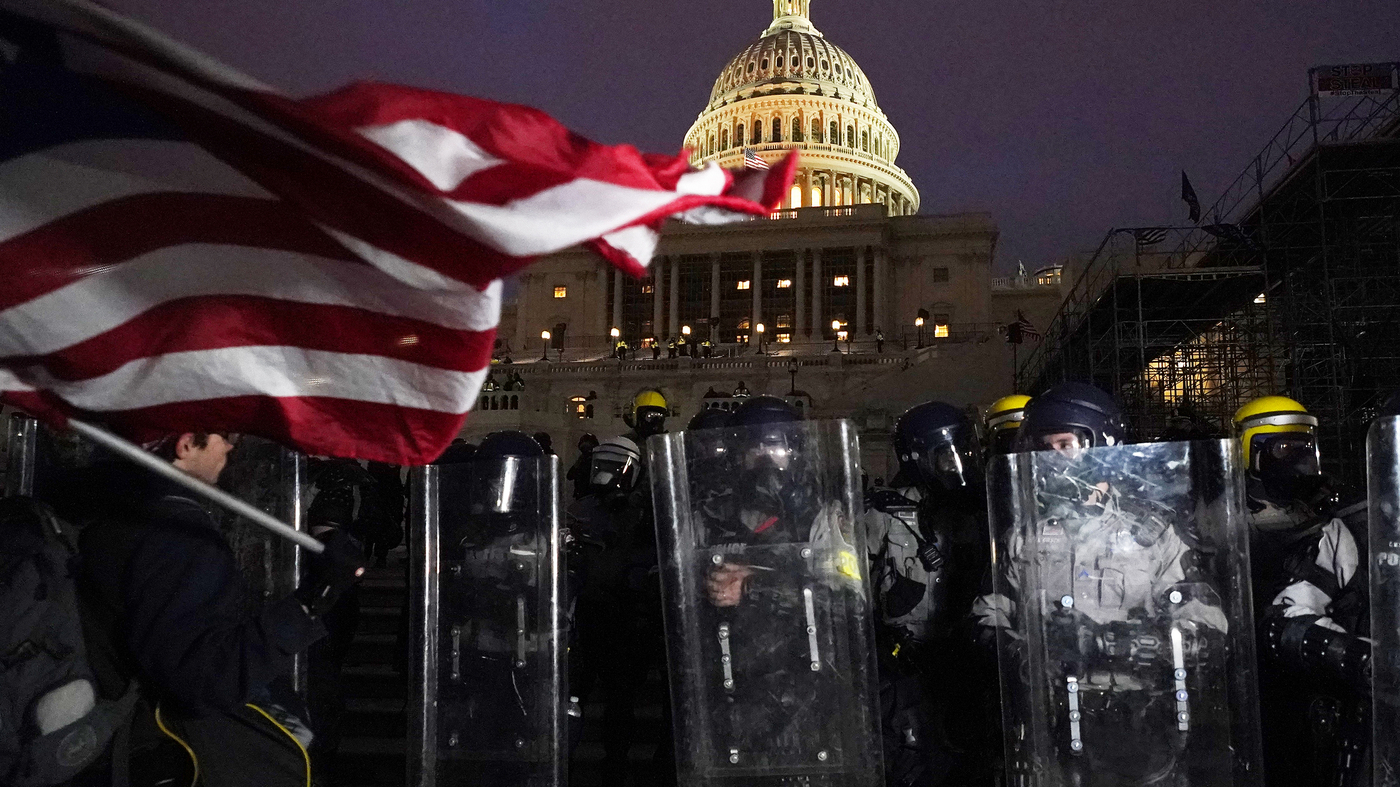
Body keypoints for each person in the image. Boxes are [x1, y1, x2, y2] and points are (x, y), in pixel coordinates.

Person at [70, 433, 365, 786]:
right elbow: (206, 678)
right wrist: (311, 601)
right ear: (185, 445)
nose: (229, 446)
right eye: (221, 435)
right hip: (169, 756)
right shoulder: (177, 534)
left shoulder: (110, 513)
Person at [978, 383, 1228, 786]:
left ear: (1102, 445)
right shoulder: (1024, 537)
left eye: (1065, 445)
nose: (1053, 459)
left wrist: (1110, 643)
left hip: (1137, 725)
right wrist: (1015, 650)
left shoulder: (1153, 535)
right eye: (1044, 448)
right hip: (1047, 724)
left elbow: (1208, 629)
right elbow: (992, 610)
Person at [1235, 396, 1370, 787]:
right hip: (1251, 677)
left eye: (1304, 446)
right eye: (1283, 447)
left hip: (1322, 680)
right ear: (1251, 450)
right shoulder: (1221, 520)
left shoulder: (1335, 523)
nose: (1296, 458)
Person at [865, 402, 994, 786]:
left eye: (962, 452)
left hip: (969, 651)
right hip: (907, 657)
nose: (957, 463)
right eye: (945, 455)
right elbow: (848, 581)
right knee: (912, 753)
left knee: (975, 753)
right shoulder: (886, 513)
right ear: (918, 458)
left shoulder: (982, 509)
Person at [566, 437, 669, 782]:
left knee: (620, 700)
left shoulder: (644, 514)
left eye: (616, 466)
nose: (608, 474)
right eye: (603, 465)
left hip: (625, 616)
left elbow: (652, 559)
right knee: (575, 697)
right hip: (586, 615)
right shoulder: (582, 509)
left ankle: (616, 769)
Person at [566, 433, 600, 499]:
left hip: (591, 495)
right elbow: (570, 476)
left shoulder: (596, 461)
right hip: (582, 495)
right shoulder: (582, 461)